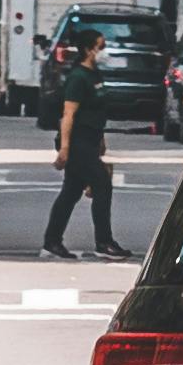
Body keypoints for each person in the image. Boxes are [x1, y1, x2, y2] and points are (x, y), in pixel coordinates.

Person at [41, 21, 119, 262]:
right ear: (88, 49)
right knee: (102, 184)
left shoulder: (94, 74)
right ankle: (103, 242)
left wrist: (101, 139)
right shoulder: (78, 77)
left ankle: (52, 241)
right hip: (77, 142)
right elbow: (69, 115)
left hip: (91, 139)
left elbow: (97, 109)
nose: (104, 52)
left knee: (72, 191)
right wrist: (64, 148)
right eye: (100, 47)